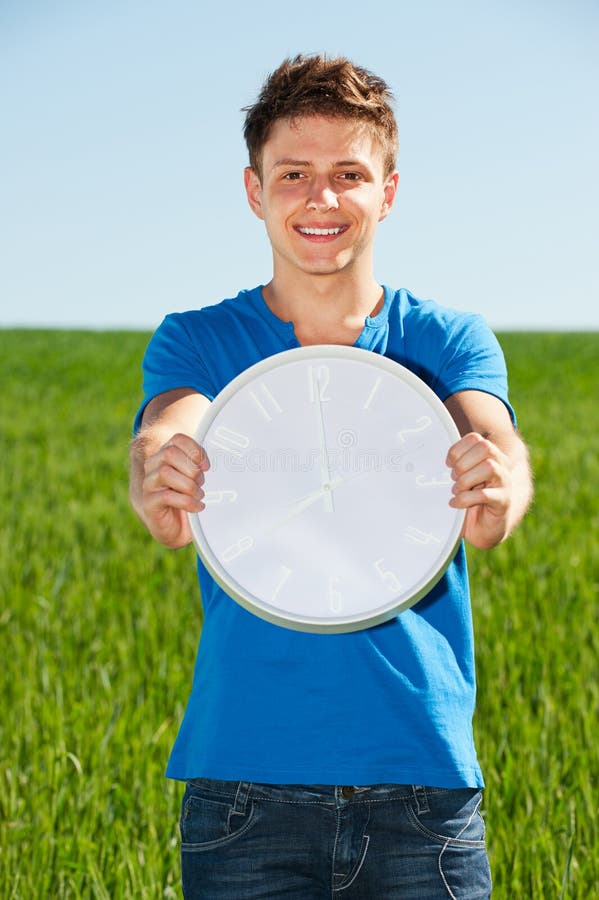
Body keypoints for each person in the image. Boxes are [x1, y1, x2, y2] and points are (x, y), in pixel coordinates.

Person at [129, 54, 532, 899]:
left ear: (387, 192)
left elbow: (494, 452)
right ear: (254, 190)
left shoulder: (445, 339)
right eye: (293, 174)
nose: (320, 198)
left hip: (421, 787)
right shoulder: (199, 339)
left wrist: (494, 485)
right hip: (244, 792)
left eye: (348, 173)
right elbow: (172, 424)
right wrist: (161, 467)